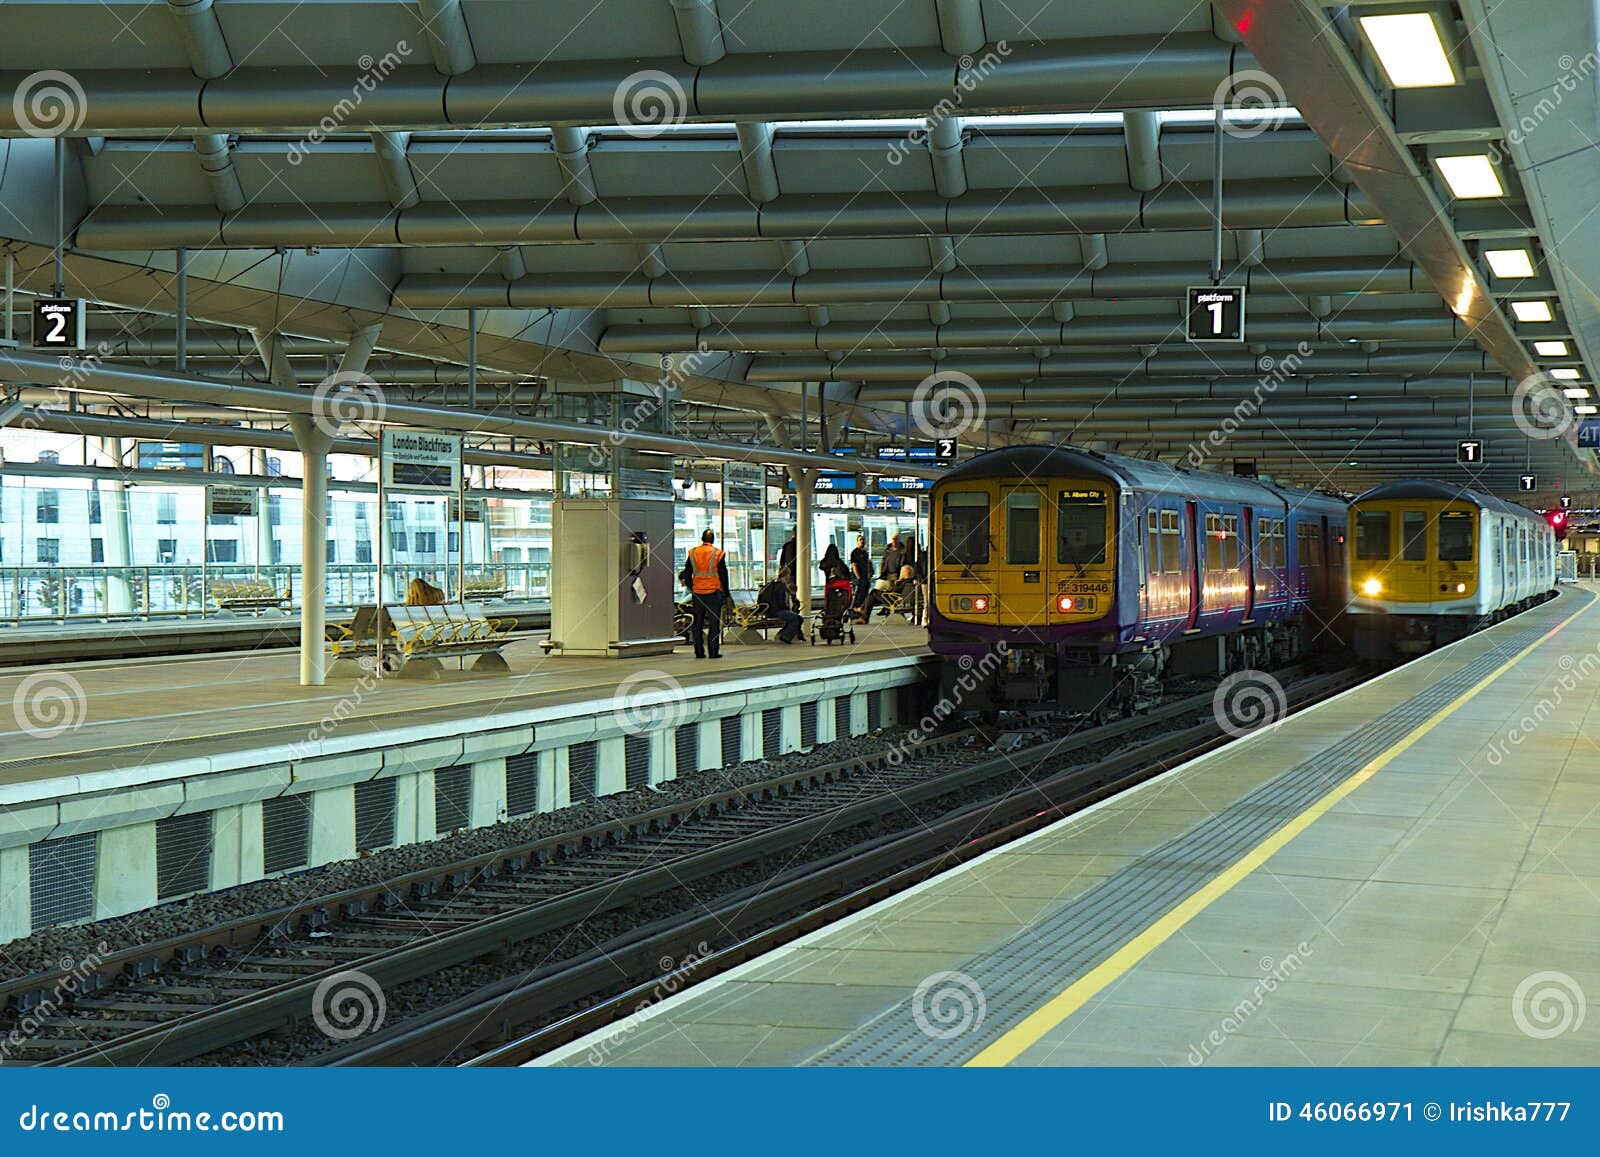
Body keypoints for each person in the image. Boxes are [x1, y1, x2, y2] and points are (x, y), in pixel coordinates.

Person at [681, 529, 730, 658]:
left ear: (702, 539)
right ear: (713, 539)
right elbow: (723, 575)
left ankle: (699, 651)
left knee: (697, 623)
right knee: (714, 623)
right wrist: (726, 593)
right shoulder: (717, 554)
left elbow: (687, 572)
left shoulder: (693, 552)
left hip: (698, 593)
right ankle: (713, 652)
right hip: (714, 592)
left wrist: (692, 587)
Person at [758, 567, 805, 644]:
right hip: (777, 611)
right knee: (798, 618)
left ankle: (785, 635)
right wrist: (787, 609)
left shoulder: (773, 584)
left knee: (795, 617)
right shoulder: (782, 585)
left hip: (770, 610)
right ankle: (785, 636)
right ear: (787, 575)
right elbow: (782, 601)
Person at [849, 534, 872, 610]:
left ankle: (861, 610)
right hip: (859, 578)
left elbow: (867, 564)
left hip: (865, 577)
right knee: (858, 595)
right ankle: (854, 610)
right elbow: (854, 565)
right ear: (857, 542)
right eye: (860, 540)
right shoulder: (855, 552)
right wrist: (858, 577)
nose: (862, 541)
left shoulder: (865, 553)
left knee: (864, 595)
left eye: (863, 540)